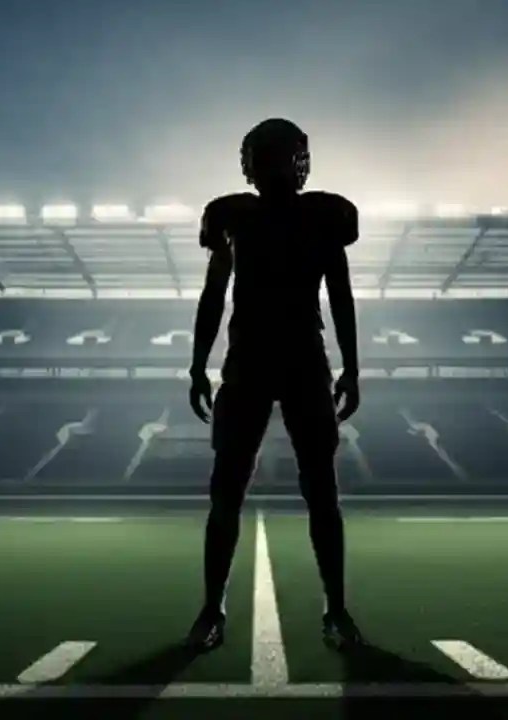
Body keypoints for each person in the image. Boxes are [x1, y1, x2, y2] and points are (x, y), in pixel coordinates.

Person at [185, 118, 364, 651]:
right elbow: (215, 295)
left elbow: (339, 293)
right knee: (241, 491)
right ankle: (227, 607)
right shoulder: (248, 217)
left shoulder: (292, 217)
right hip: (273, 358)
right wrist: (351, 368)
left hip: (284, 357)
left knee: (307, 492)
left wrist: (199, 365)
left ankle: (329, 608)